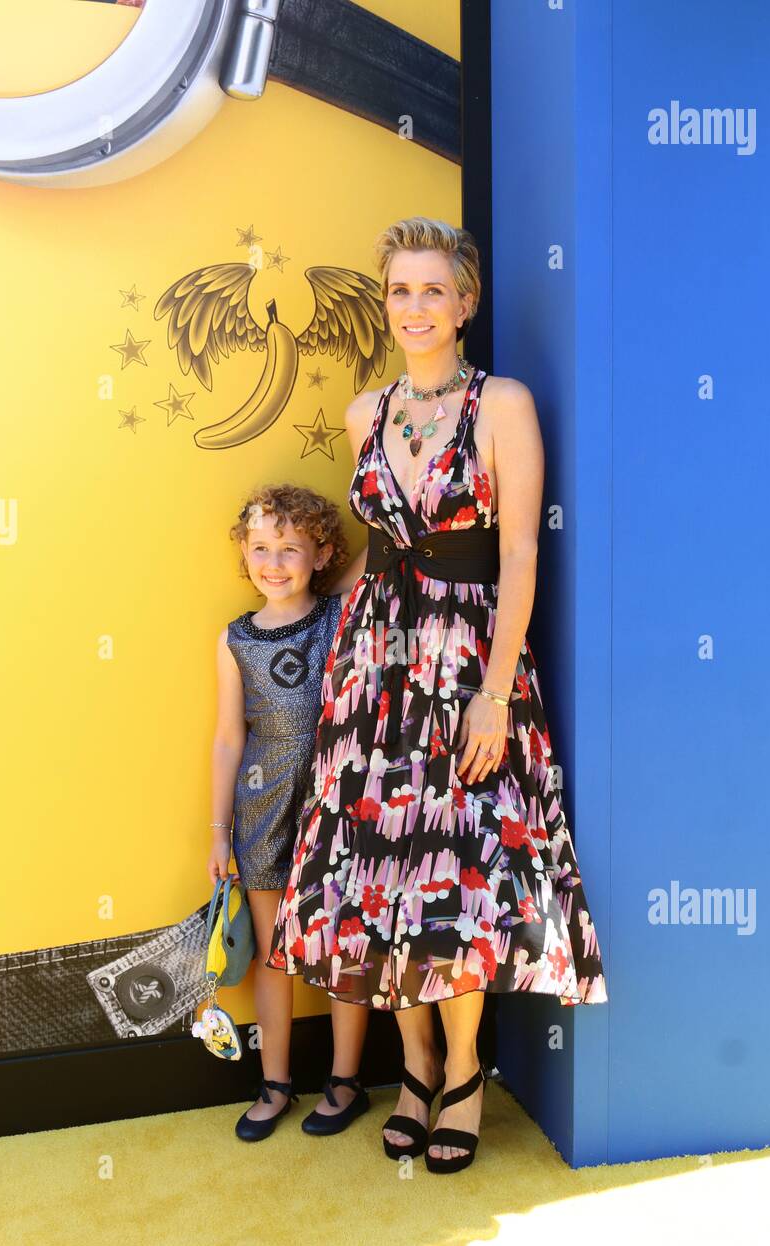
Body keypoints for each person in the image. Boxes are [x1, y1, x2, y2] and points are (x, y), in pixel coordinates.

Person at [265, 216, 609, 1174]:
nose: (414, 308)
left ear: (466, 303)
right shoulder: (363, 413)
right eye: (399, 292)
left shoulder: (504, 402)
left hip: (467, 664)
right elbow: (381, 550)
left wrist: (497, 694)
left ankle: (462, 1070)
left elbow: (521, 553)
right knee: (379, 873)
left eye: (432, 291)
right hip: (375, 669)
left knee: (458, 872)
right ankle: (412, 1063)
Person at [208, 483, 354, 1141]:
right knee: (274, 953)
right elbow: (228, 737)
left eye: (290, 548)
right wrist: (218, 830)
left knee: (338, 942)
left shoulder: (336, 613)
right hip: (262, 807)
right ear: (244, 553)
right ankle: (275, 1081)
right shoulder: (236, 639)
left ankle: (347, 1079)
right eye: (261, 547)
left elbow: (381, 546)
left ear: (321, 554)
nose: (273, 561)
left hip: (332, 797)